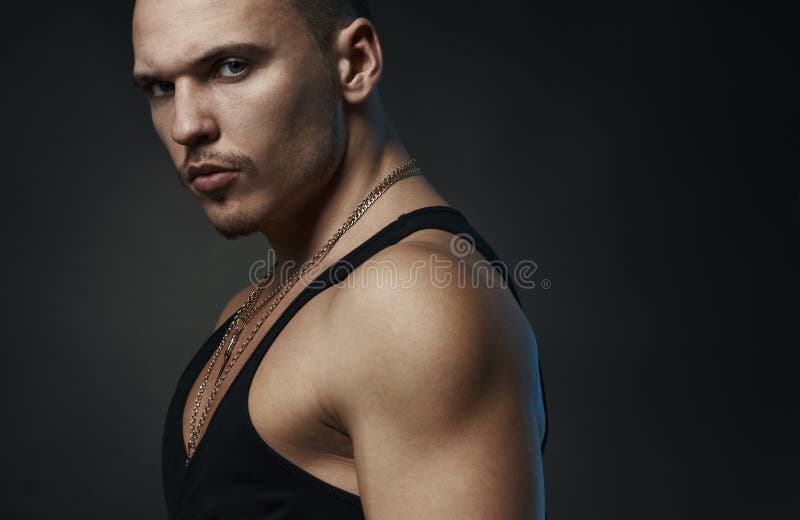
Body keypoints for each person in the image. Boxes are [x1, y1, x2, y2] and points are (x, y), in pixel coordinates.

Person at [131, 0, 548, 518]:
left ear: (355, 63)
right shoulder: (256, 305)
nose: (186, 126)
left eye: (230, 67)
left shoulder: (411, 301)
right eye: (160, 88)